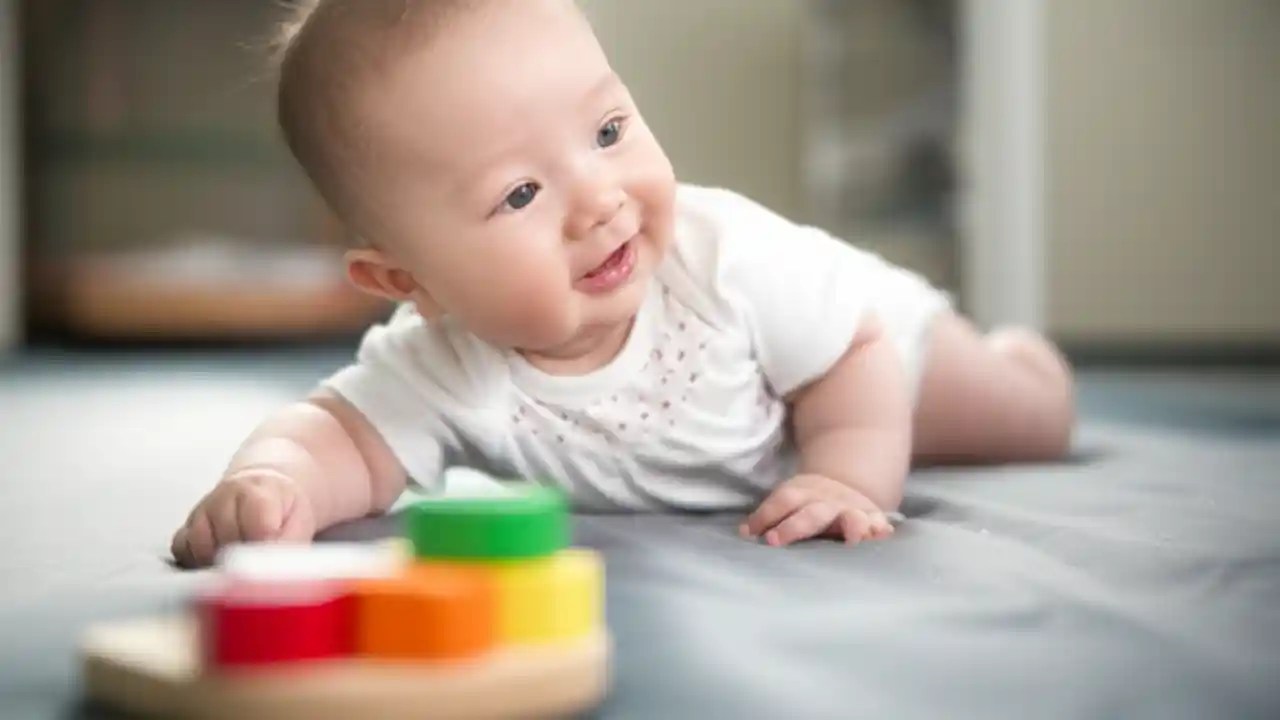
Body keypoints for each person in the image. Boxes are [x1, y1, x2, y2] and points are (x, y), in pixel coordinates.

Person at [171, 0, 1074, 568]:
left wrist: (848, 479)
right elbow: (342, 439)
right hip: (810, 390)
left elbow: (855, 353)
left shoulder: (726, 259)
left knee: (1022, 423)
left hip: (865, 350)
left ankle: (1018, 357)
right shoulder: (444, 366)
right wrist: (272, 479)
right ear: (411, 282)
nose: (598, 201)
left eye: (607, 132)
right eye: (520, 193)